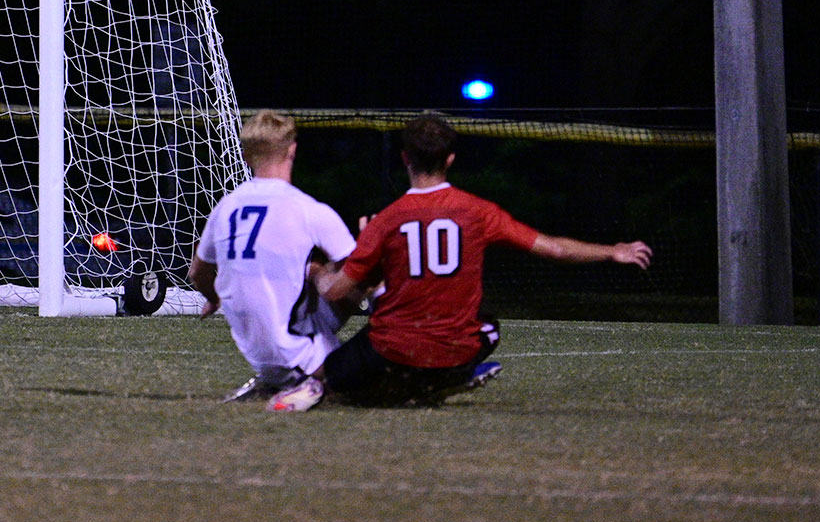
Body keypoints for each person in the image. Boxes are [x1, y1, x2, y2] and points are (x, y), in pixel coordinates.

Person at [266, 111, 652, 412]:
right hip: (454, 351)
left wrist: (316, 271)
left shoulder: (387, 220)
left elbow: (336, 291)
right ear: (450, 159)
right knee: (489, 329)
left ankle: (355, 387)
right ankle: (445, 380)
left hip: (391, 352)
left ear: (405, 159)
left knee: (327, 378)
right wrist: (611, 251)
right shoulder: (478, 211)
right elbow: (552, 247)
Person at [187, 110, 359, 410]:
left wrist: (213, 298)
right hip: (295, 353)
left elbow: (197, 274)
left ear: (244, 155)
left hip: (257, 353)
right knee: (379, 378)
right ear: (292, 150)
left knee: (313, 273)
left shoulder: (226, 207)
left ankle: (275, 379)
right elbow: (362, 269)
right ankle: (315, 384)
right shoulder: (307, 209)